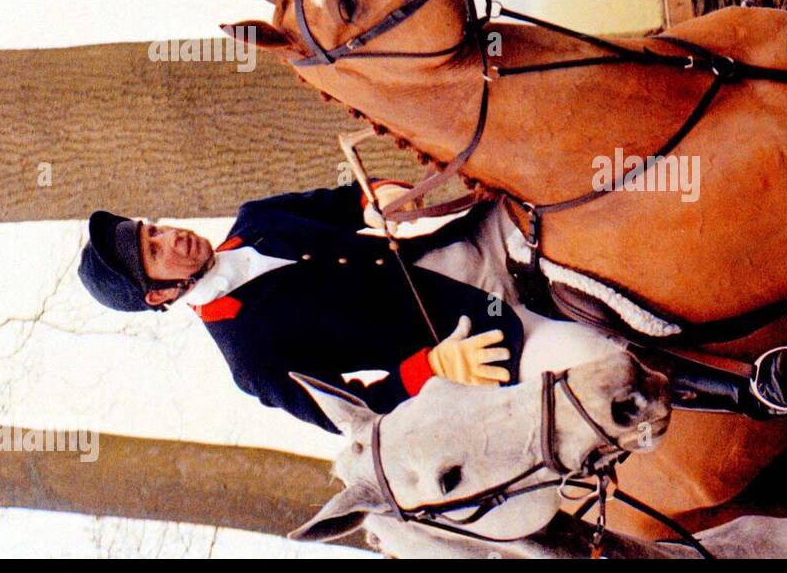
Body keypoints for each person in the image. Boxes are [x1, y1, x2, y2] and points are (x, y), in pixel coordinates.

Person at [77, 180, 523, 433]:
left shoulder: (257, 217)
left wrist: (378, 198)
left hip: (473, 238)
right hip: (478, 338)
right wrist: (434, 368)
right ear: (159, 295)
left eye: (153, 229)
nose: (170, 235)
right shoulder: (250, 361)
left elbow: (349, 201)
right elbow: (357, 416)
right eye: (155, 252)